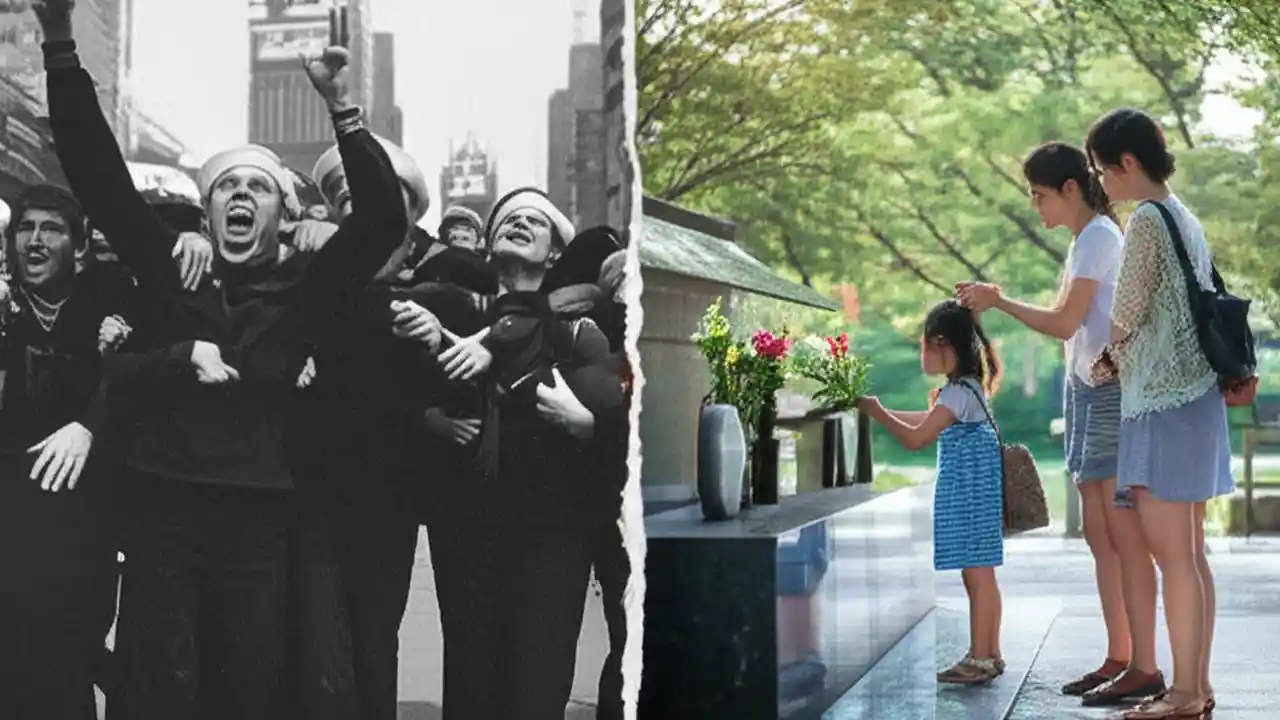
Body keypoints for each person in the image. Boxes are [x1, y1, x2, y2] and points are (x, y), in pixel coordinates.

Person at [36, 0, 410, 714]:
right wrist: (59, 41)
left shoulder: (311, 291)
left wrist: (343, 110)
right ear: (206, 215)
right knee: (161, 686)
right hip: (164, 511)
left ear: (282, 213)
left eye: (258, 188)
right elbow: (96, 173)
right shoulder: (174, 273)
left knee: (249, 688)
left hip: (261, 522)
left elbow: (383, 222)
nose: (241, 196)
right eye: (226, 189)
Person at [956, 142, 1166, 706]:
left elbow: (1065, 321)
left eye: (1040, 195)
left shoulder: (1099, 236)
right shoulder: (1084, 241)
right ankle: (1120, 657)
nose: (1036, 207)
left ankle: (1137, 661)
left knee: (1116, 537)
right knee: (1101, 537)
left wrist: (998, 301)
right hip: (1086, 390)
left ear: (1071, 188)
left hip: (1107, 392)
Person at [1086, 108, 1232, 720]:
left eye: (1102, 171)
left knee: (1172, 553)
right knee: (1190, 554)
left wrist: (1101, 360)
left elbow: (1127, 313)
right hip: (1195, 400)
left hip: (1164, 401)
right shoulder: (1183, 215)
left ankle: (1184, 694)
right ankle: (1194, 688)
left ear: (1127, 163)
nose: (1103, 186)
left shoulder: (1145, 219)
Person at [297, 131, 441, 720]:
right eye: (344, 198)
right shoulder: (303, 282)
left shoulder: (437, 300)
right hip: (311, 501)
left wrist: (440, 339)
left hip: (389, 505)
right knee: (321, 649)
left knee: (375, 643)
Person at [0, 183, 135, 720]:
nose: (34, 241)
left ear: (80, 249)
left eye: (50, 229)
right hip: (11, 517)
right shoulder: (5, 307)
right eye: (24, 229)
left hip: (84, 525)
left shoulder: (113, 303)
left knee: (69, 663)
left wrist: (89, 422)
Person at [856, 300, 1006, 685]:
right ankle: (990, 653)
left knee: (977, 576)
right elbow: (927, 421)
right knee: (983, 575)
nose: (922, 353)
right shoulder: (965, 389)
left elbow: (916, 438)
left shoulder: (957, 393)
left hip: (969, 498)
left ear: (943, 344)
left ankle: (980, 658)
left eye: (924, 345)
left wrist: (875, 412)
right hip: (976, 496)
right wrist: (883, 410)